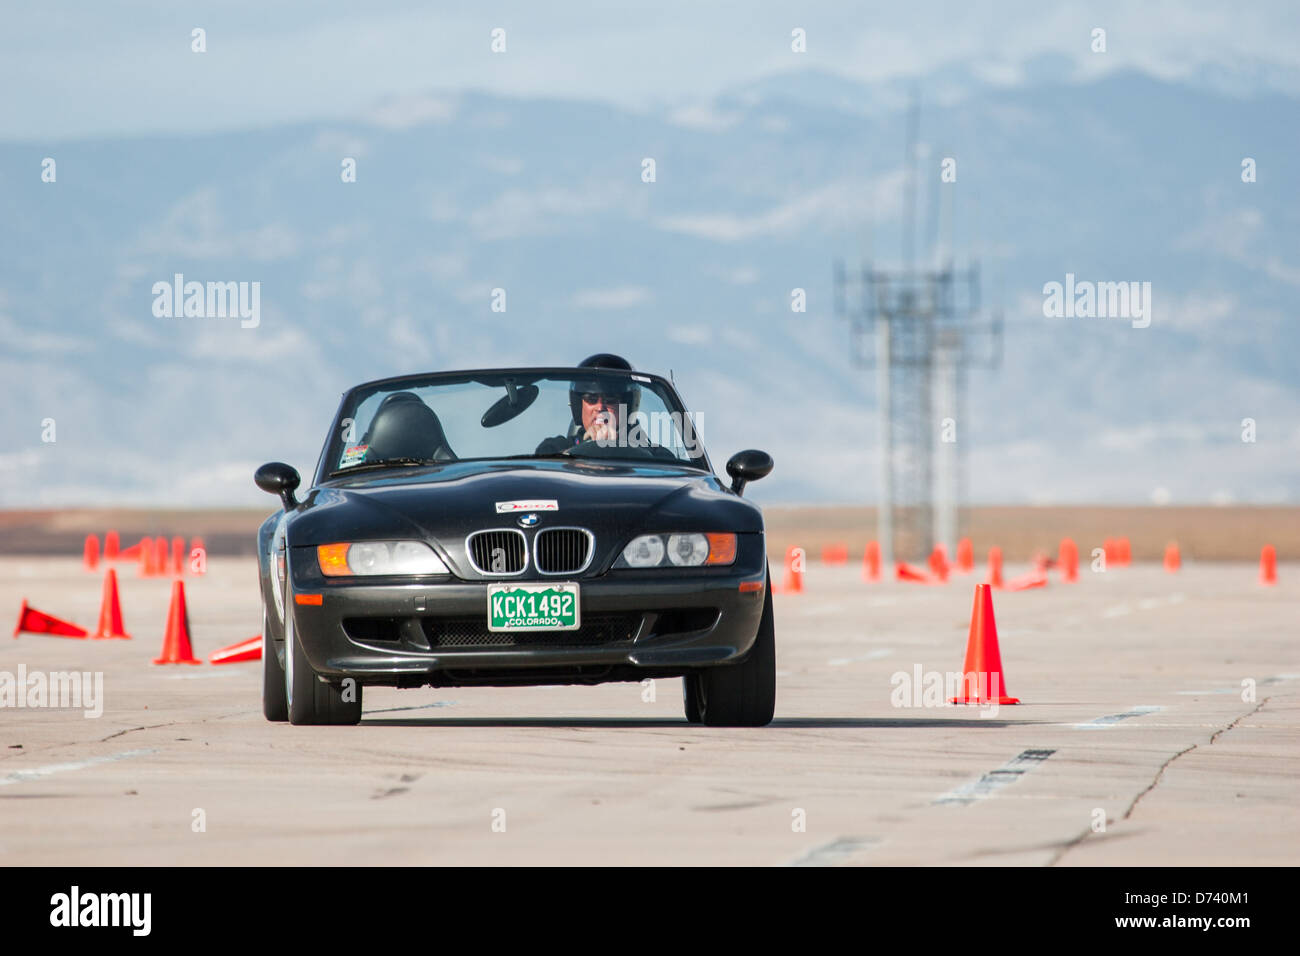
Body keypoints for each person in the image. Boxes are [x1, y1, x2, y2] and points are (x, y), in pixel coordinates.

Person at [535, 354, 638, 455]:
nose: (600, 408)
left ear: (627, 406)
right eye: (591, 399)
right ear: (579, 406)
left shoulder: (648, 453)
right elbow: (547, 464)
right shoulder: (552, 447)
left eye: (610, 399)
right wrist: (588, 447)